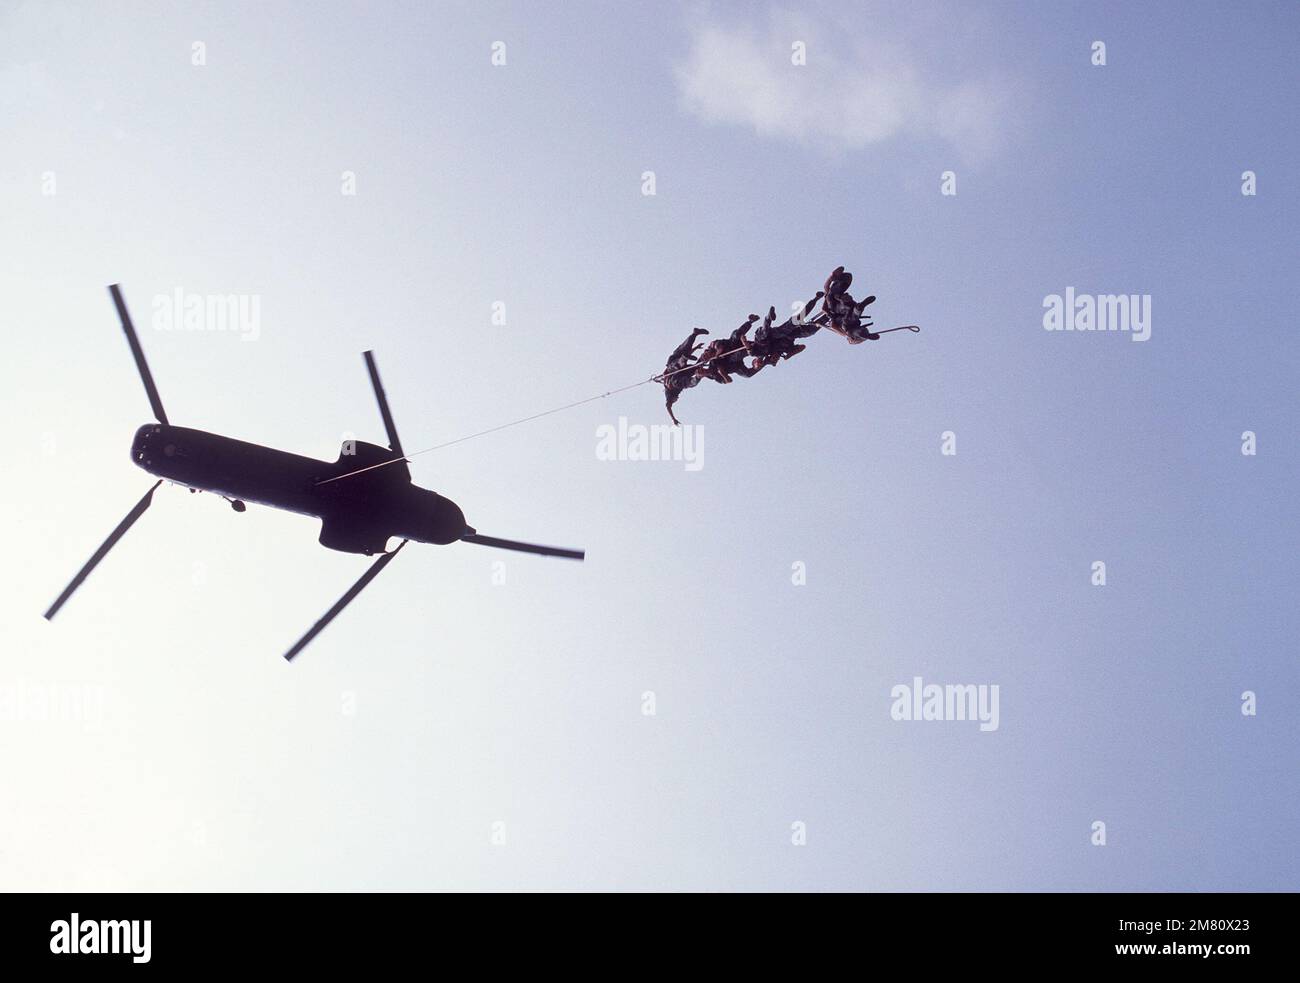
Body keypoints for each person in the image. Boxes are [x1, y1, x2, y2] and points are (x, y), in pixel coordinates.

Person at [662, 327, 708, 425]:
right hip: (679, 367)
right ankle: (695, 336)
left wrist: (673, 419)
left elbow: (668, 406)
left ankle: (697, 375)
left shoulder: (670, 394)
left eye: (675, 400)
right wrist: (695, 349)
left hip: (674, 371)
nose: (676, 400)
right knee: (691, 361)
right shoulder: (673, 391)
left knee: (683, 377)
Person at [696, 315, 759, 384]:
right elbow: (729, 381)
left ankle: (750, 321)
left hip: (733, 344)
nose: (703, 371)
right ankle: (766, 360)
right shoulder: (713, 373)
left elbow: (720, 347)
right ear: (702, 376)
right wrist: (723, 374)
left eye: (706, 355)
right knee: (747, 374)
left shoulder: (712, 346)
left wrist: (717, 354)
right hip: (735, 363)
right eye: (702, 373)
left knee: (736, 334)